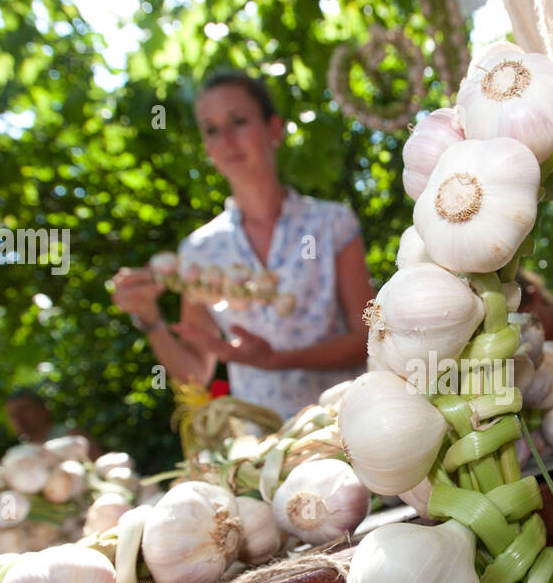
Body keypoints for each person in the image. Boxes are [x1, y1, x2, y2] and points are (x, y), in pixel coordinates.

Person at [111, 70, 375, 420]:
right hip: (263, 442)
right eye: (211, 130)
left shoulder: (331, 224)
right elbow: (195, 374)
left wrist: (276, 361)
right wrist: (150, 319)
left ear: (273, 130)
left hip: (347, 424)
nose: (226, 139)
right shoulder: (199, 251)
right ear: (206, 147)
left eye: (238, 121)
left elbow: (369, 337)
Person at [4, 389, 101, 458]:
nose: (18, 418)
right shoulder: (17, 454)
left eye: (23, 410)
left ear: (44, 409)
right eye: (12, 415)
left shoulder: (73, 437)